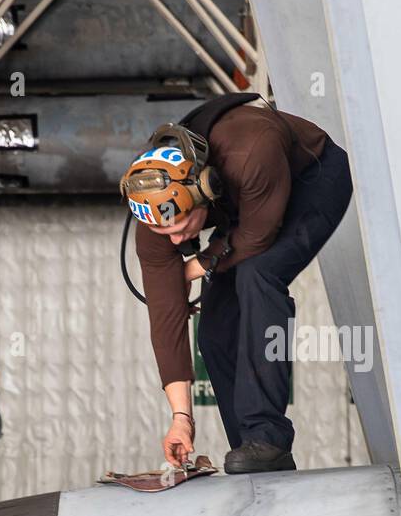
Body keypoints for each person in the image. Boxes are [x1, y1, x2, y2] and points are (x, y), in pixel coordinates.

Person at [121, 92, 352, 474]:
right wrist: (181, 417)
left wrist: (194, 267)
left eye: (180, 229)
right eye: (165, 232)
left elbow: (256, 240)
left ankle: (268, 437)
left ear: (204, 191)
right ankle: (250, 447)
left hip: (313, 180)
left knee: (258, 275)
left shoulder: (251, 150)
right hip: (245, 208)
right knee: (214, 331)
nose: (175, 241)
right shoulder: (155, 217)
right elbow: (166, 315)